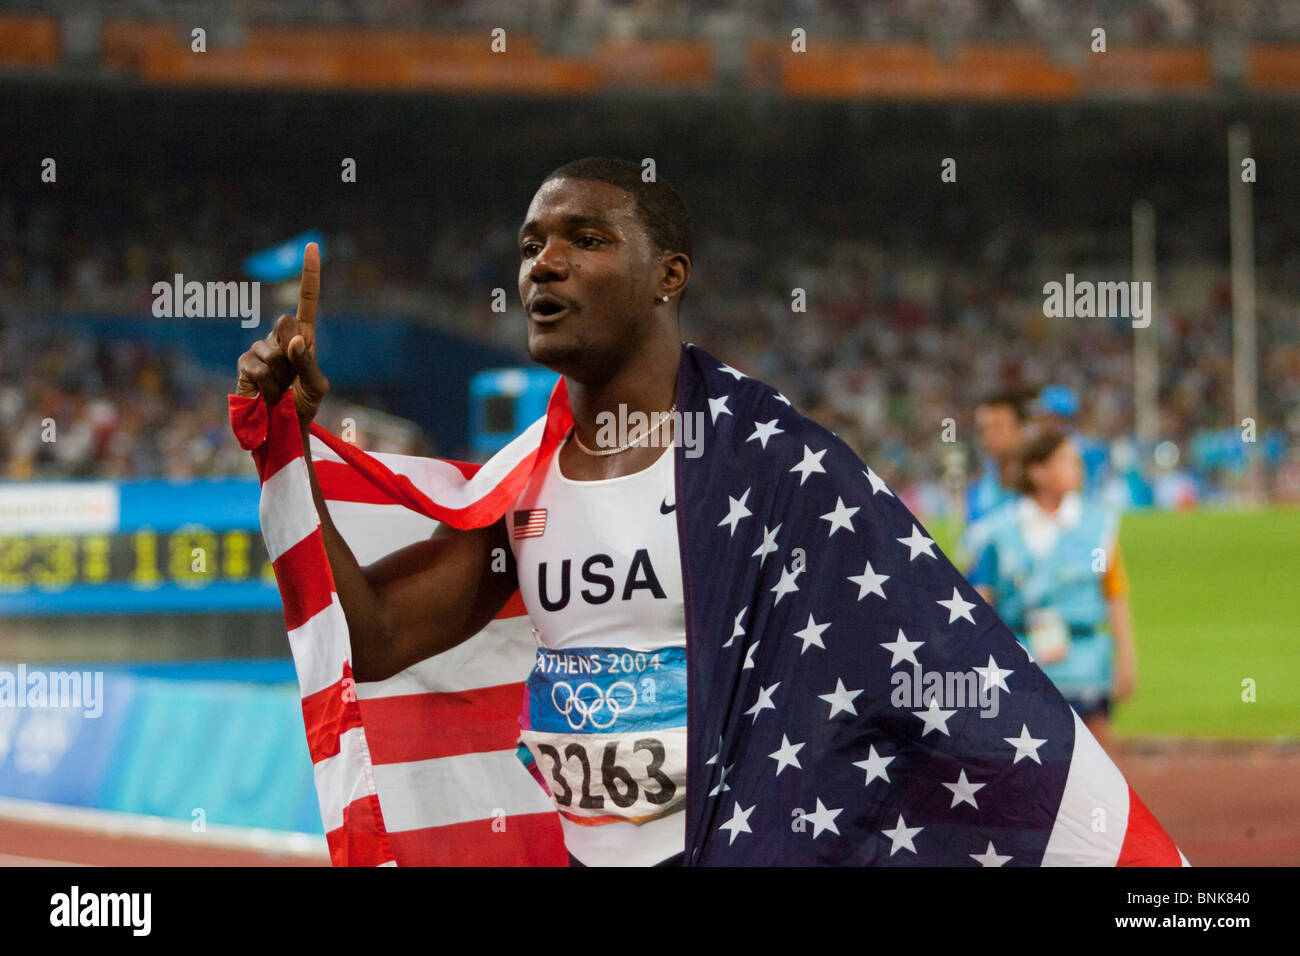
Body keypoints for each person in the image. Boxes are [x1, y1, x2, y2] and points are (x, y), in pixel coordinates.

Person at [235, 158, 1182, 867]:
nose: (544, 266)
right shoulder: (522, 488)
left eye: (584, 239)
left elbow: (922, 661)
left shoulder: (776, 466)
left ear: (668, 276)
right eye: (530, 246)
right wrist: (294, 446)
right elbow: (382, 634)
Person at [962, 427, 1138, 754]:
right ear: (1037, 471)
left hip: (1084, 661)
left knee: (1097, 763)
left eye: (1076, 461)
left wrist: (1126, 659)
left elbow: (1114, 595)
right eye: (1064, 461)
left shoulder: (1098, 526)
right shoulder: (998, 530)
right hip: (1020, 662)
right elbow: (980, 598)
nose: (1077, 469)